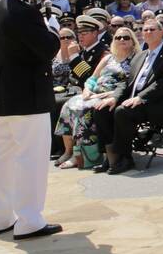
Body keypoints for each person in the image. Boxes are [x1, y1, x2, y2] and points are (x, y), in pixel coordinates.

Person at [0, 0, 63, 240]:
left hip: (4, 95)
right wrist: (53, 27)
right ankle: (29, 219)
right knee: (31, 158)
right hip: (28, 94)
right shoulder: (25, 11)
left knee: (1, 156)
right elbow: (47, 48)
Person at [95, 17, 163, 174]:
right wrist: (114, 97)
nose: (148, 32)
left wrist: (141, 97)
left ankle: (125, 158)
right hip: (133, 100)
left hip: (156, 104)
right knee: (101, 109)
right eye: (145, 29)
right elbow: (126, 83)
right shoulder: (140, 56)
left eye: (152, 29)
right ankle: (110, 157)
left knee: (122, 112)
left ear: (162, 32)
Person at [53, 29, 137, 169]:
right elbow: (92, 78)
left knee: (83, 109)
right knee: (69, 104)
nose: (122, 40)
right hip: (94, 92)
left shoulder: (135, 59)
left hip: (112, 95)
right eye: (118, 37)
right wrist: (87, 89)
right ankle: (68, 151)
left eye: (126, 37)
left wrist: (99, 95)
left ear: (132, 41)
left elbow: (128, 84)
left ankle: (80, 155)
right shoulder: (108, 58)